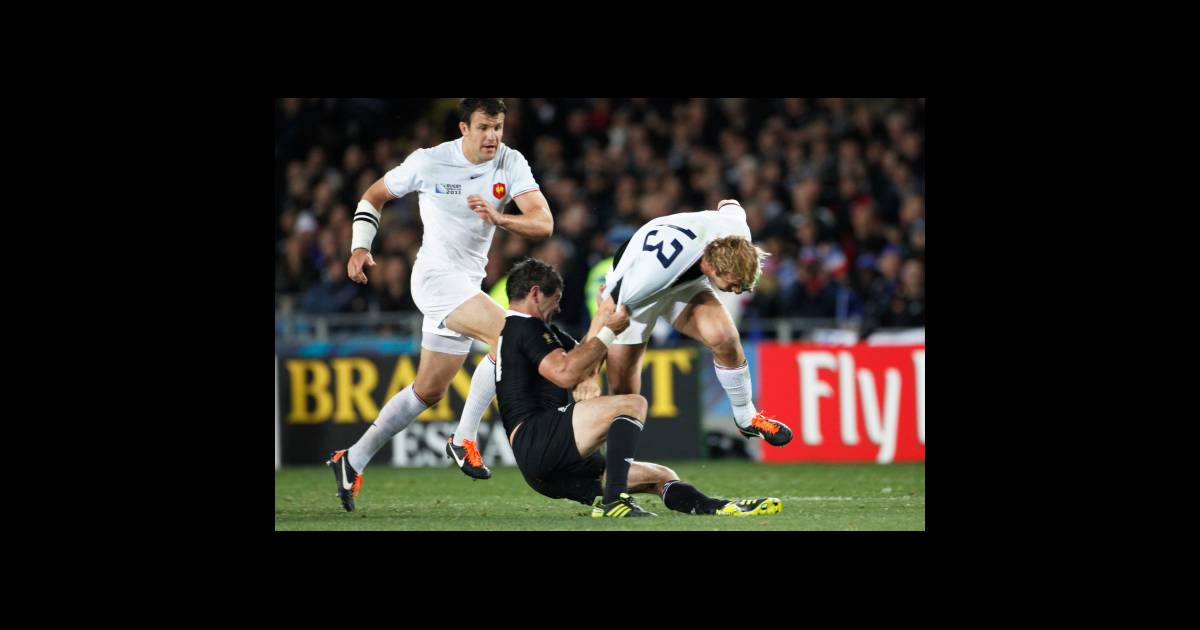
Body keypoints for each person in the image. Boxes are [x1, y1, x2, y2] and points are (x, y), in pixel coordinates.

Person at [327, 99, 554, 511]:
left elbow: (543, 222)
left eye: (499, 127)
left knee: (428, 390)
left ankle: (351, 459)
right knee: (512, 337)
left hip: (466, 284)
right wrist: (360, 247)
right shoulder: (428, 162)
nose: (493, 136)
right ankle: (464, 438)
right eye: (484, 127)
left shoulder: (510, 161)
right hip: (433, 279)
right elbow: (372, 196)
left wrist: (501, 219)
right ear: (463, 127)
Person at [496, 258, 782, 518]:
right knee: (632, 404)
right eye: (555, 300)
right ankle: (614, 500)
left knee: (661, 475)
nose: (558, 308)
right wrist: (610, 331)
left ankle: (715, 506)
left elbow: (583, 354)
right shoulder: (525, 328)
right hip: (538, 440)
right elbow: (565, 372)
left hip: (553, 466)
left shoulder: (528, 333)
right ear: (535, 293)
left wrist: (602, 315)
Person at [600, 198, 795, 447]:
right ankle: (618, 466)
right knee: (624, 392)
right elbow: (606, 310)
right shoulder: (644, 281)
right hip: (633, 298)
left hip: (684, 279)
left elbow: (730, 203)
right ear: (713, 268)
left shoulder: (738, 231)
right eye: (734, 284)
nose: (737, 291)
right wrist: (587, 373)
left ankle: (747, 417)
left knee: (724, 337)